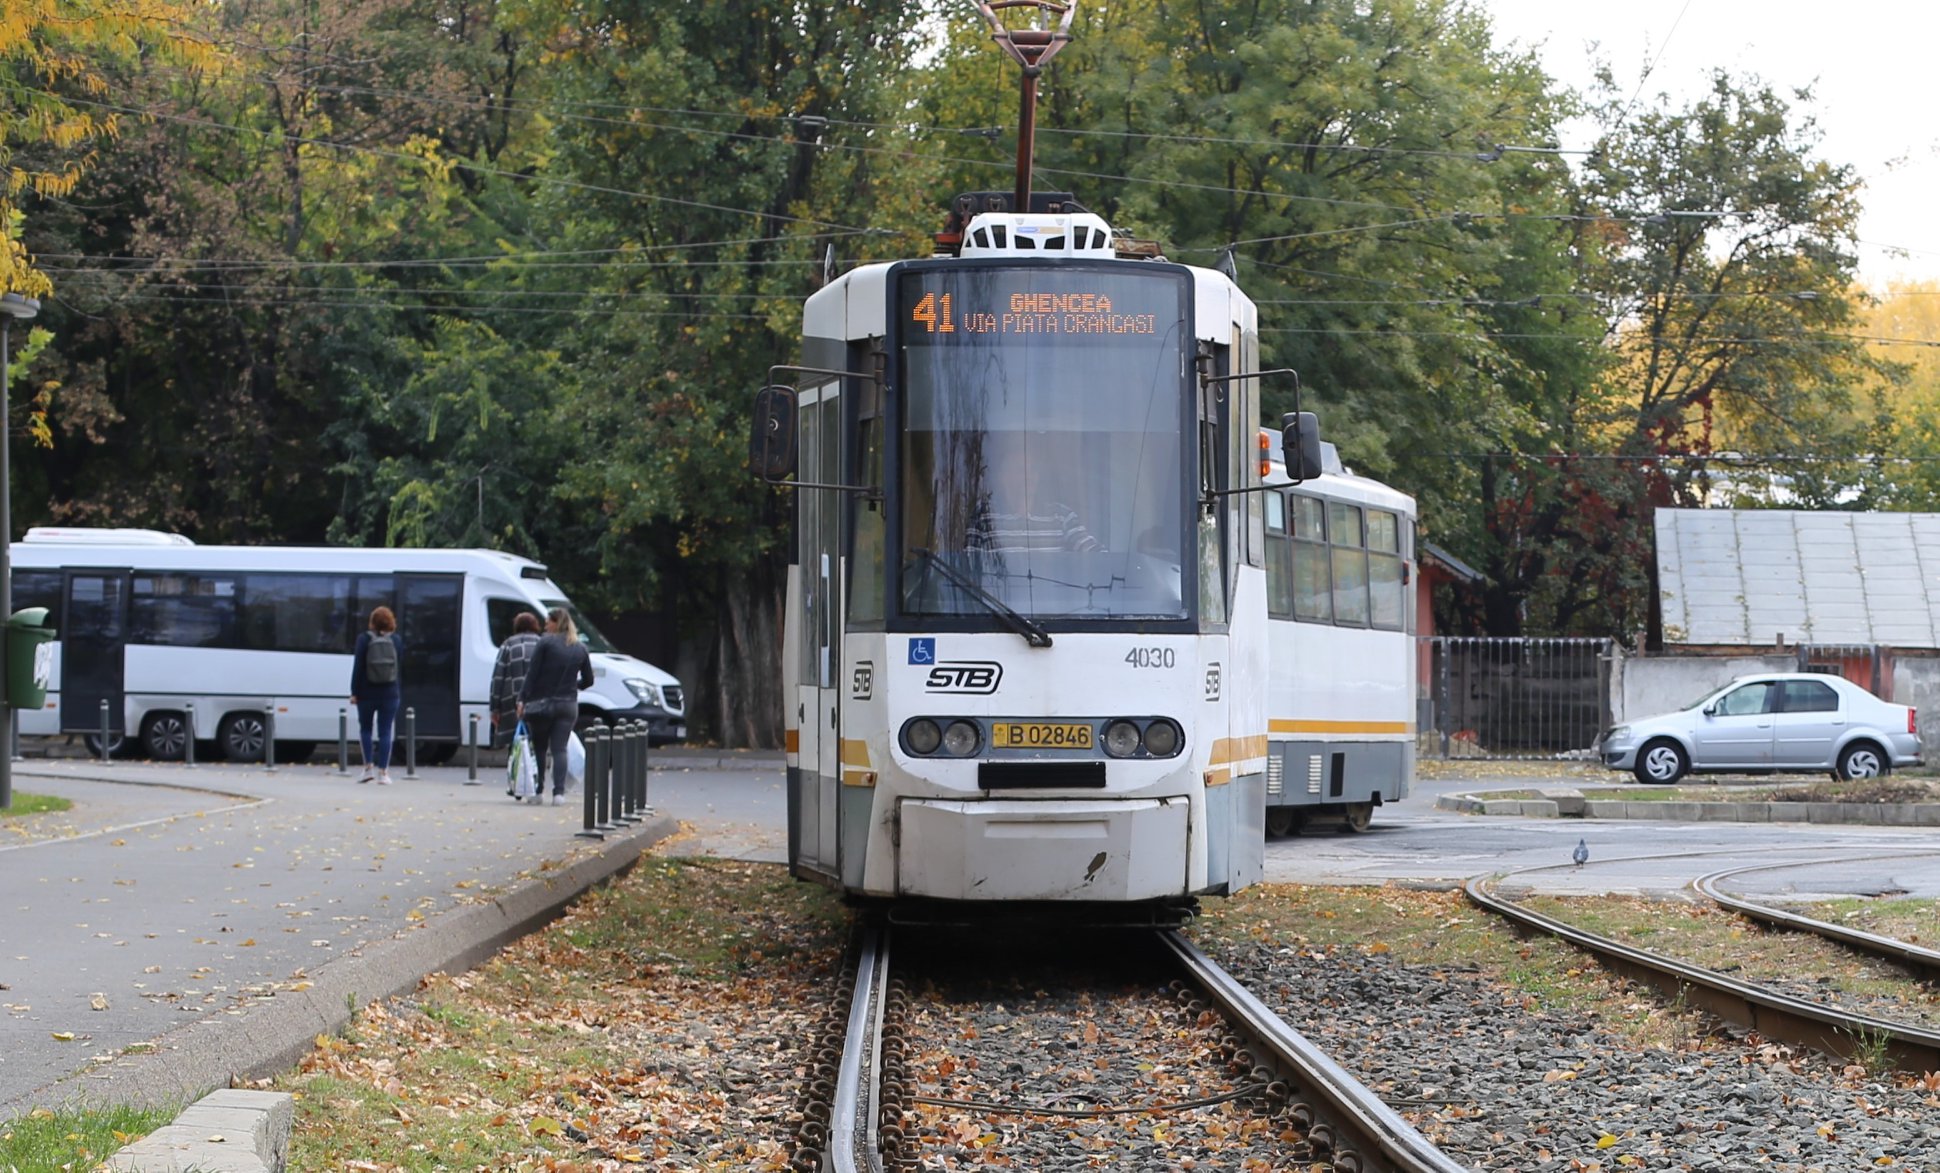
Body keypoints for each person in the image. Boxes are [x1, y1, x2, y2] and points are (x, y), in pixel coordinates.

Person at [518, 606, 593, 806]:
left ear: (555, 623)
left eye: (547, 622)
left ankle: (538, 792)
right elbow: (589, 680)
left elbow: (532, 674)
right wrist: (574, 685)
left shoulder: (545, 643)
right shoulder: (580, 648)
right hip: (568, 705)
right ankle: (559, 794)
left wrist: (522, 699)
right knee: (560, 749)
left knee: (540, 748)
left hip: (542, 704)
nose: (545, 626)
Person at [348, 605, 403, 785]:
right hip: (390, 693)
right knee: (385, 731)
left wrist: (354, 692)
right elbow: (399, 666)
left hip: (366, 693)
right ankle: (383, 773)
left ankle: (367, 769)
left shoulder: (363, 639)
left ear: (372, 621)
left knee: (365, 729)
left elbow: (358, 667)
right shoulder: (396, 640)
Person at [489, 611, 543, 748]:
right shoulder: (542, 643)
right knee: (537, 742)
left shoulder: (508, 644)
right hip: (537, 699)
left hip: (511, 701)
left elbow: (498, 677)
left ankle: (515, 760)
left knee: (515, 741)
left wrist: (495, 708)